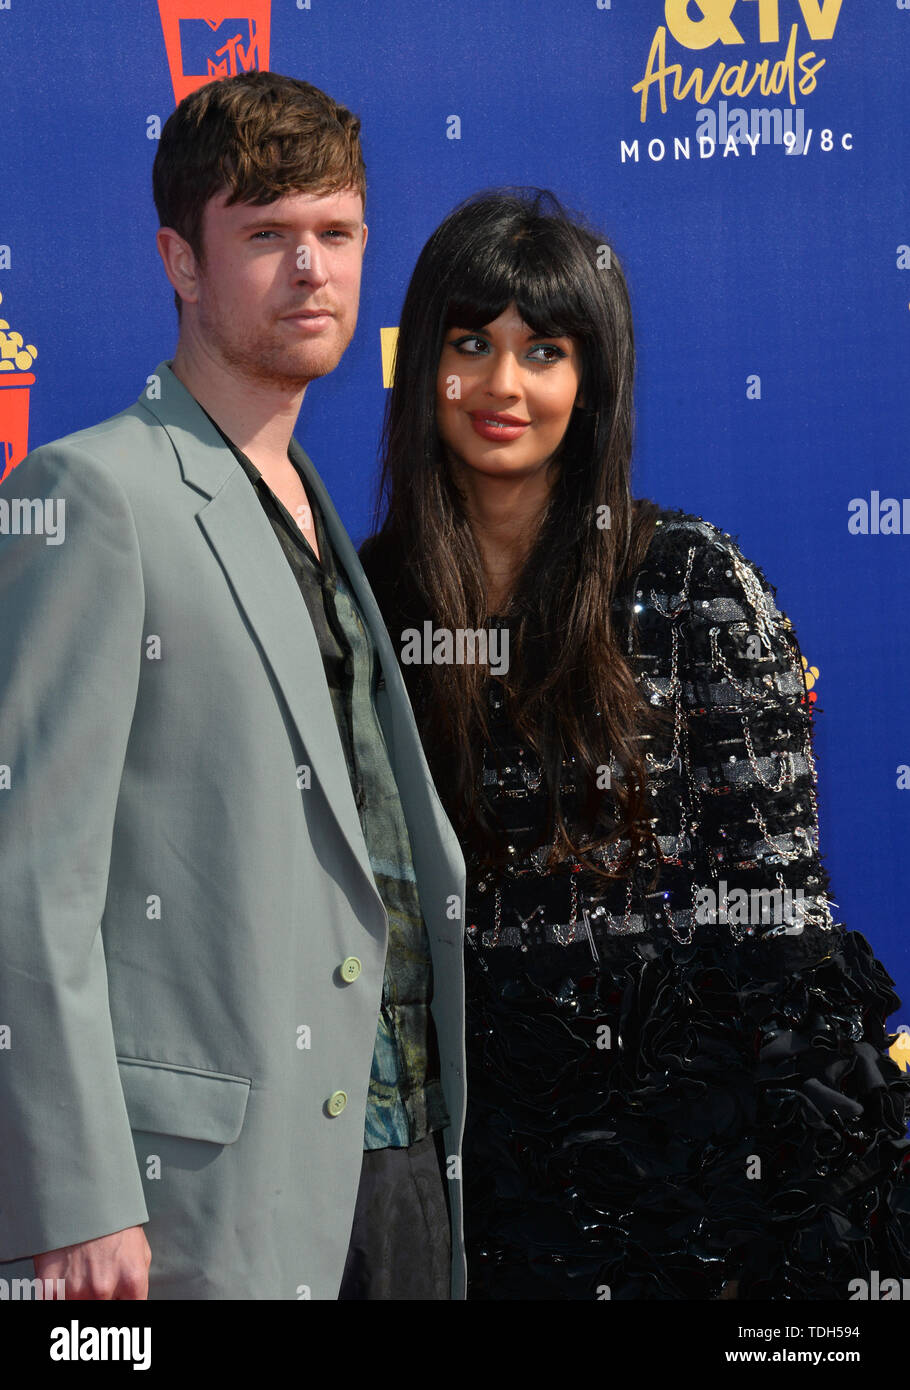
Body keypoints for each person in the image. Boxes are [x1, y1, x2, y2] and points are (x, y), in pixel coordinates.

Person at [359, 187, 910, 1300]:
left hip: (697, 1188)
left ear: (591, 382)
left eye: (544, 351)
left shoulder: (694, 584)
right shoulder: (368, 604)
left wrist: (812, 1212)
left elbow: (780, 930)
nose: (503, 385)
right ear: (423, 367)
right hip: (473, 1185)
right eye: (470, 344)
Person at [0, 71, 466, 1301]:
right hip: (198, 1202)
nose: (310, 269)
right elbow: (27, 879)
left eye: (335, 233)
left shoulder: (321, 511)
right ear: (181, 262)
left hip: (394, 1164)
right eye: (265, 236)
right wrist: (79, 1190)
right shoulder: (94, 497)